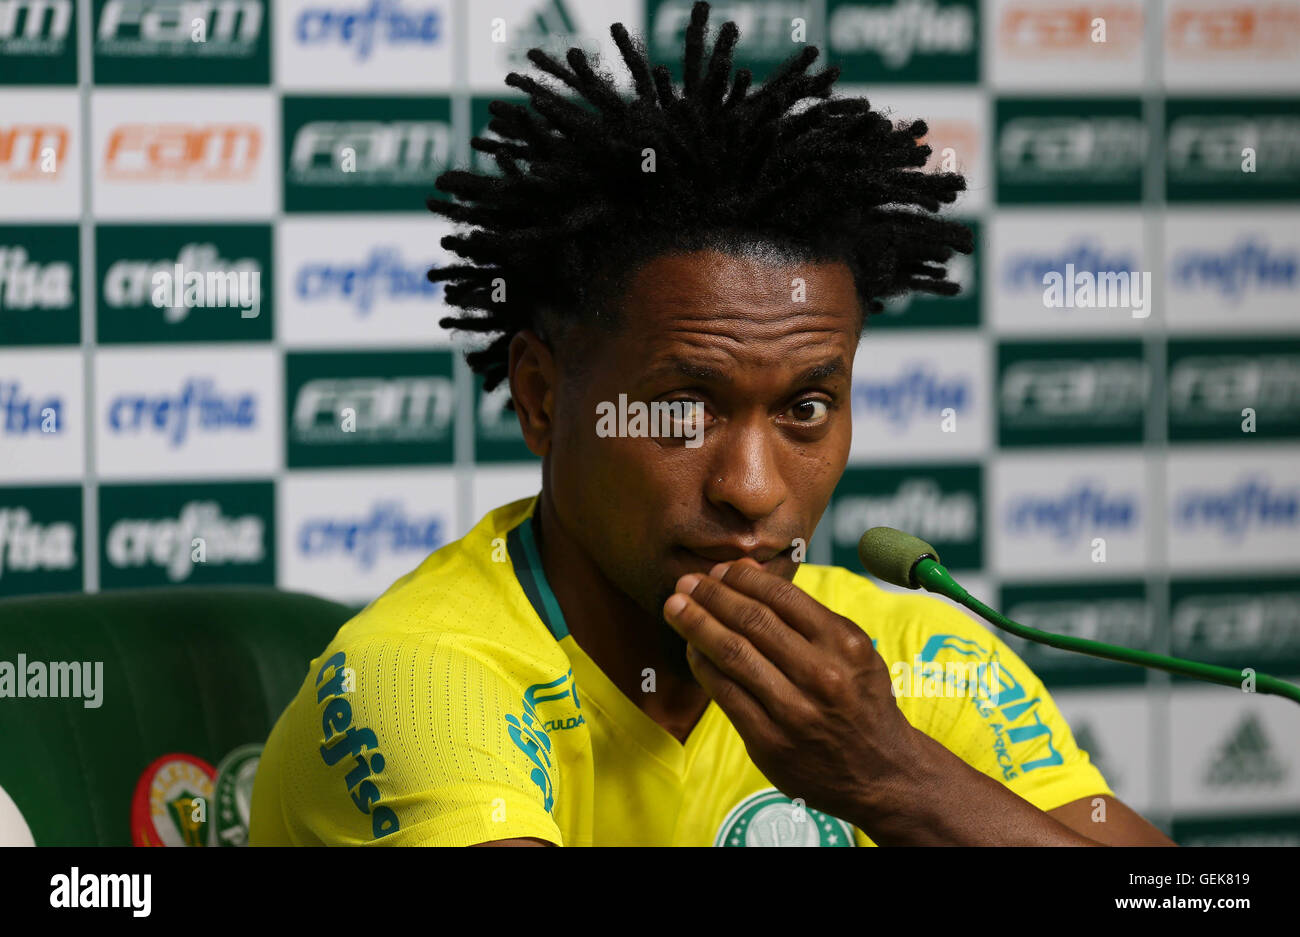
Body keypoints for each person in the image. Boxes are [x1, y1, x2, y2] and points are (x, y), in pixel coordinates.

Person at [249, 1, 1174, 847]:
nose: (754, 487)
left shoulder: (910, 663)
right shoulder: (417, 680)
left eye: (806, 409)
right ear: (540, 396)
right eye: (682, 409)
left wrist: (895, 776)